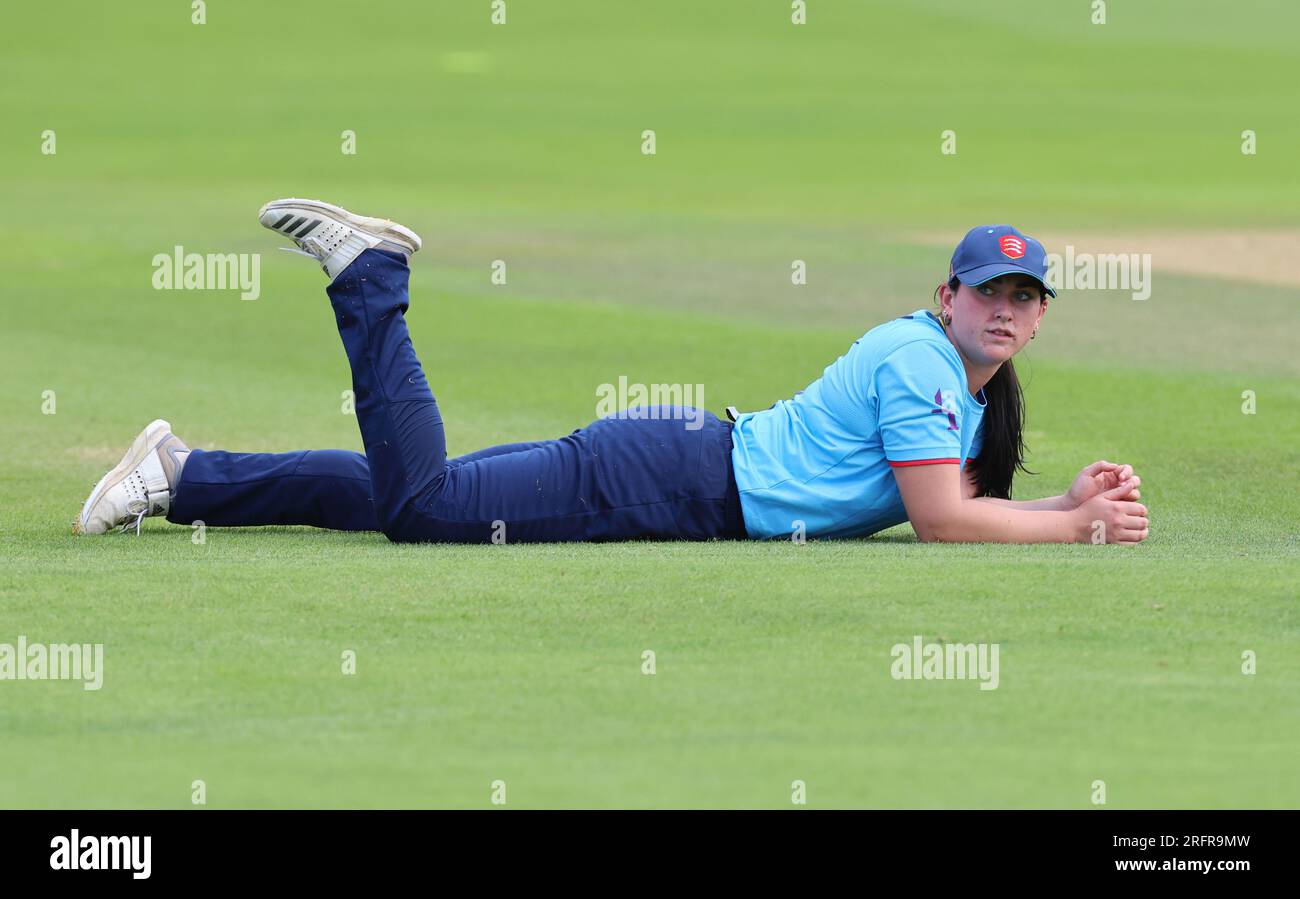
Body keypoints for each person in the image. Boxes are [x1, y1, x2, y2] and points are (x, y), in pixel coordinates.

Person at [74, 204, 1148, 545]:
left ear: (1038, 313)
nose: (1006, 311)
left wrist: (1059, 498)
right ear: (948, 294)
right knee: (426, 507)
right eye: (989, 293)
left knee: (407, 493)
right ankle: (370, 280)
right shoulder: (918, 355)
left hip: (679, 466)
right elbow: (941, 521)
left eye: (1025, 299)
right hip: (670, 481)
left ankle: (185, 472)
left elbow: (956, 500)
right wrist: (1075, 528)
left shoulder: (957, 388)